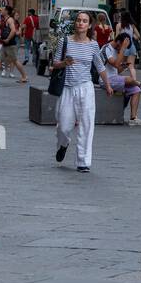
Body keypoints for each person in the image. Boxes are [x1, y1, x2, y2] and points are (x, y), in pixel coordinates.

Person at [51, 10, 106, 172]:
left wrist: (108, 85)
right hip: (67, 88)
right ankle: (63, 143)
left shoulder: (93, 45)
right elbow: (55, 63)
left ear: (89, 26)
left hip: (86, 87)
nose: (81, 23)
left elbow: (100, 66)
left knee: (86, 124)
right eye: (78, 20)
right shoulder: (64, 41)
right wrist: (64, 63)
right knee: (63, 126)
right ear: (75, 23)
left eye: (84, 21)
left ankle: (83, 162)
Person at [101, 31, 141, 125]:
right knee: (129, 79)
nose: (121, 50)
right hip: (105, 79)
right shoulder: (106, 49)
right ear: (118, 42)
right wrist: (123, 48)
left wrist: (124, 66)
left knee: (136, 90)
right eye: (121, 46)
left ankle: (133, 118)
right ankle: (140, 84)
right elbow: (116, 64)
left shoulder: (118, 50)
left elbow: (117, 70)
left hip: (114, 78)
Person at [0, 6, 29, 84]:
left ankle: (24, 76)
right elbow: (3, 29)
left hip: (10, 44)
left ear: (6, 11)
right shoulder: (5, 19)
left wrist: (8, 39)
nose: (1, 11)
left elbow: (13, 31)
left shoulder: (10, 20)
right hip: (5, 44)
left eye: (3, 10)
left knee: (15, 61)